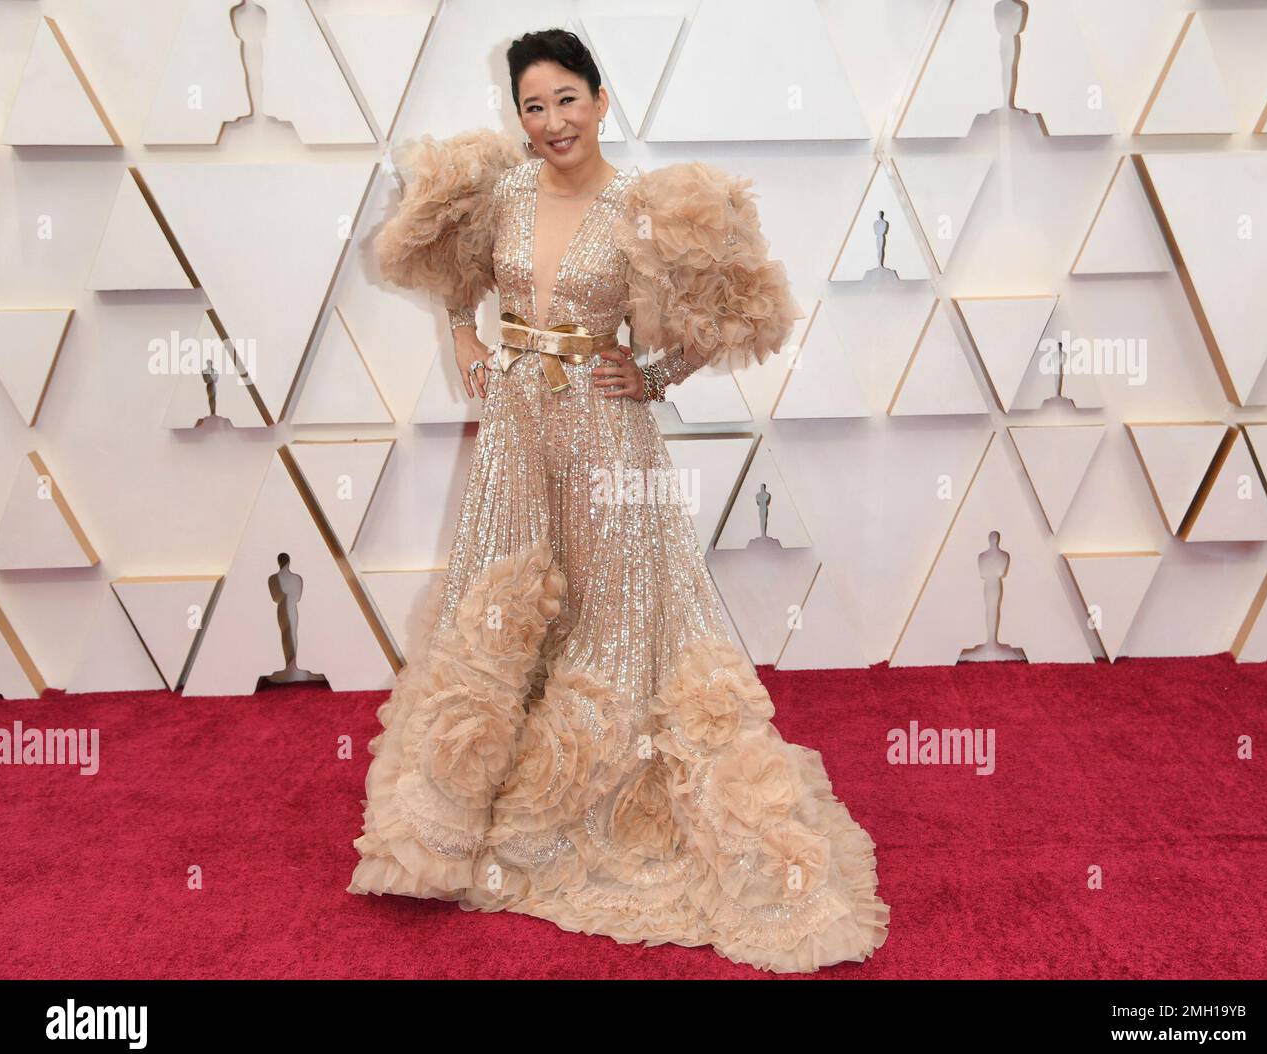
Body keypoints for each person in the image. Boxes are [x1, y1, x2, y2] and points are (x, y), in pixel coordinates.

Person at [347, 27, 890, 974]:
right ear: (517, 116)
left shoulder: (644, 208)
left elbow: (733, 312)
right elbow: (451, 273)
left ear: (601, 101)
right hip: (517, 429)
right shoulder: (502, 193)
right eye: (533, 104)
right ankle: (463, 803)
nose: (553, 120)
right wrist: (469, 344)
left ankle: (608, 791)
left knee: (615, 610)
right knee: (509, 598)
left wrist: (654, 371)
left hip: (604, 439)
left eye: (568, 99)